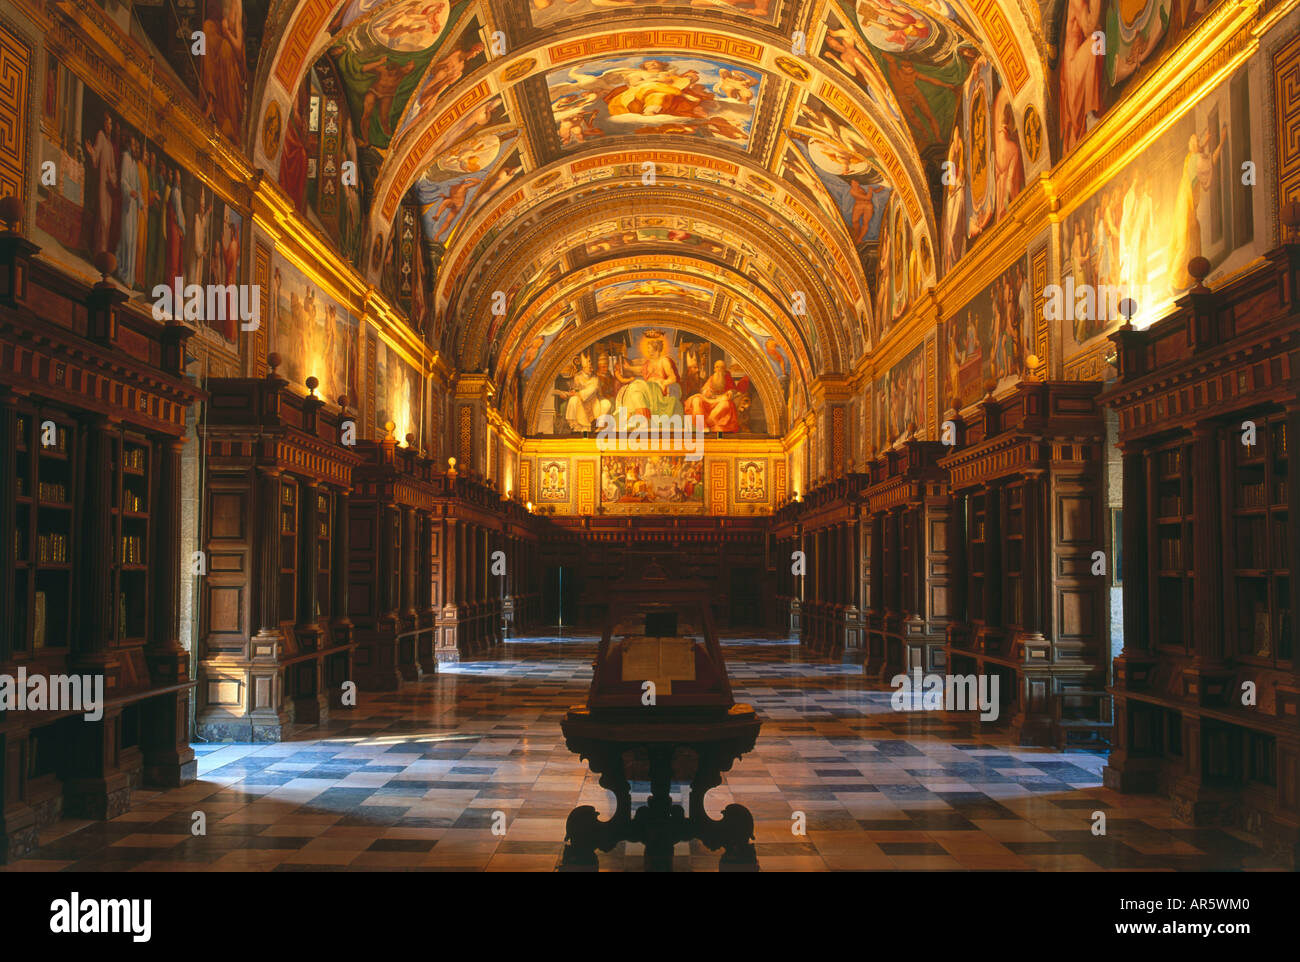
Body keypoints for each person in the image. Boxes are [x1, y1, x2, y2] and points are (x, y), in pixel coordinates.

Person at [83, 113, 117, 259]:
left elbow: (113, 169)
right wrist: (91, 153)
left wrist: (113, 179)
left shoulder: (110, 144)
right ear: (104, 124)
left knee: (107, 222)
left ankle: (101, 253)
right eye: (108, 123)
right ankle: (98, 253)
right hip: (102, 185)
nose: (109, 127)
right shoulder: (101, 137)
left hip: (108, 187)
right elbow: (96, 155)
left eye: (111, 124)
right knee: (102, 219)